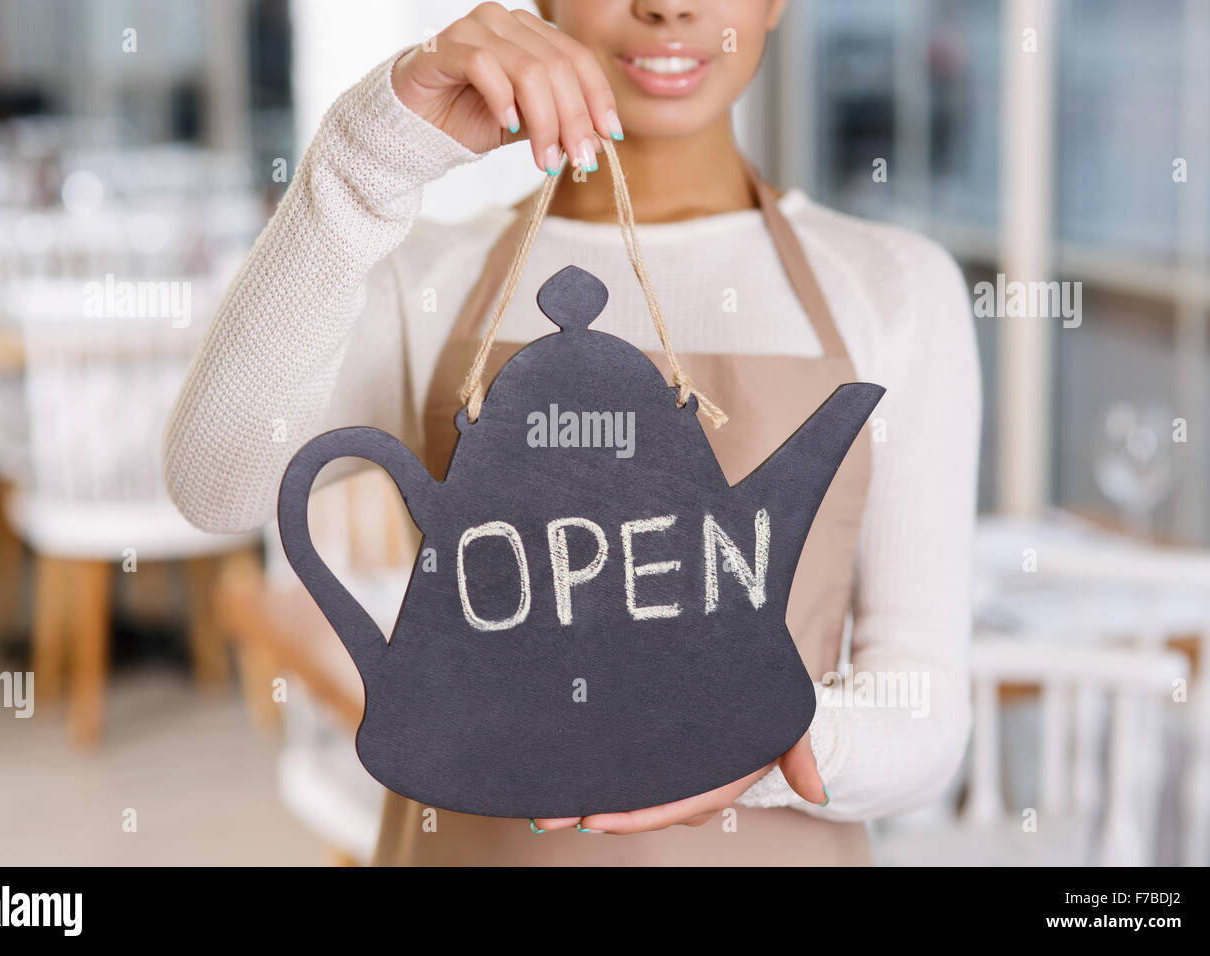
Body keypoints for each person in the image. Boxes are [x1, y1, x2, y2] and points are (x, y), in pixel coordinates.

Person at [163, 0, 980, 865]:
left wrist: (763, 753)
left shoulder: (894, 288)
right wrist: (366, 161)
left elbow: (926, 711)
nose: (670, 5)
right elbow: (216, 485)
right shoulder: (434, 278)